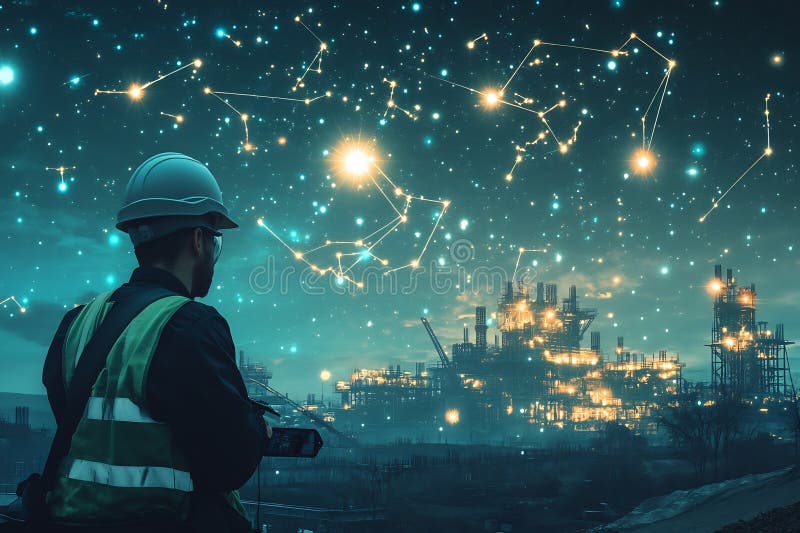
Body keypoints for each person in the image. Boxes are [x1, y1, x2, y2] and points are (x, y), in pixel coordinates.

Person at [41, 153, 271, 532]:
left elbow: (84, 427)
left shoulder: (77, 322)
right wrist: (255, 433)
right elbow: (229, 465)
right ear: (199, 240)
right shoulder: (189, 325)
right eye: (214, 240)